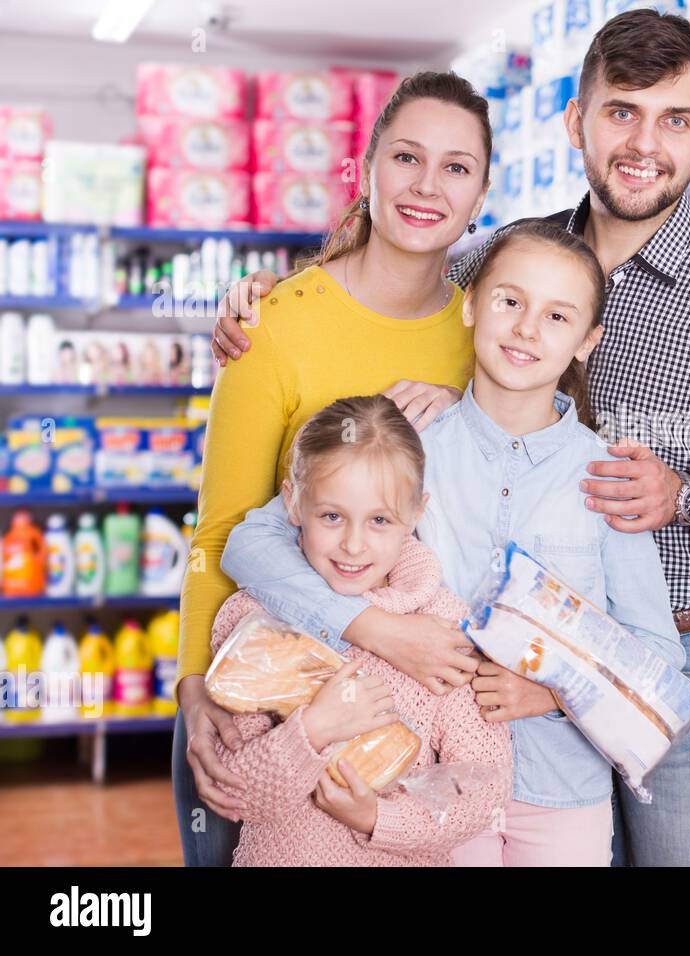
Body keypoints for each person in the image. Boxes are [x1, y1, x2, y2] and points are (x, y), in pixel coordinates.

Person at [213, 9, 690, 867]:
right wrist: (273, 298)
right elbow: (390, 263)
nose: (644, 142)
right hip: (465, 682)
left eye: (675, 120)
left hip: (684, 664)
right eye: (620, 112)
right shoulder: (497, 263)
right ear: (577, 121)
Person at [221, 220, 683, 866]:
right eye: (509, 301)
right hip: (420, 785)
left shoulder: (605, 477)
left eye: (557, 316)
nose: (526, 329)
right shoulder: (412, 450)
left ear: (587, 342)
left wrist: (554, 692)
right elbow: (250, 544)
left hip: (562, 788)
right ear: (470, 305)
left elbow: (661, 658)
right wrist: (372, 625)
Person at [175, 71, 493, 866]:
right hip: (260, 707)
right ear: (365, 169)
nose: (427, 186)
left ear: (483, 189)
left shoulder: (489, 338)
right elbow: (222, 528)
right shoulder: (274, 323)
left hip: (413, 735)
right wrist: (192, 685)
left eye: (456, 167)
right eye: (406, 158)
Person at [208, 395, 512, 865]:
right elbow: (235, 792)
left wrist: (377, 818)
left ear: (415, 514)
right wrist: (313, 728)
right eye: (331, 516)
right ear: (292, 502)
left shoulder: (445, 629)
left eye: (379, 520)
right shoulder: (253, 621)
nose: (352, 544)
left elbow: (484, 784)